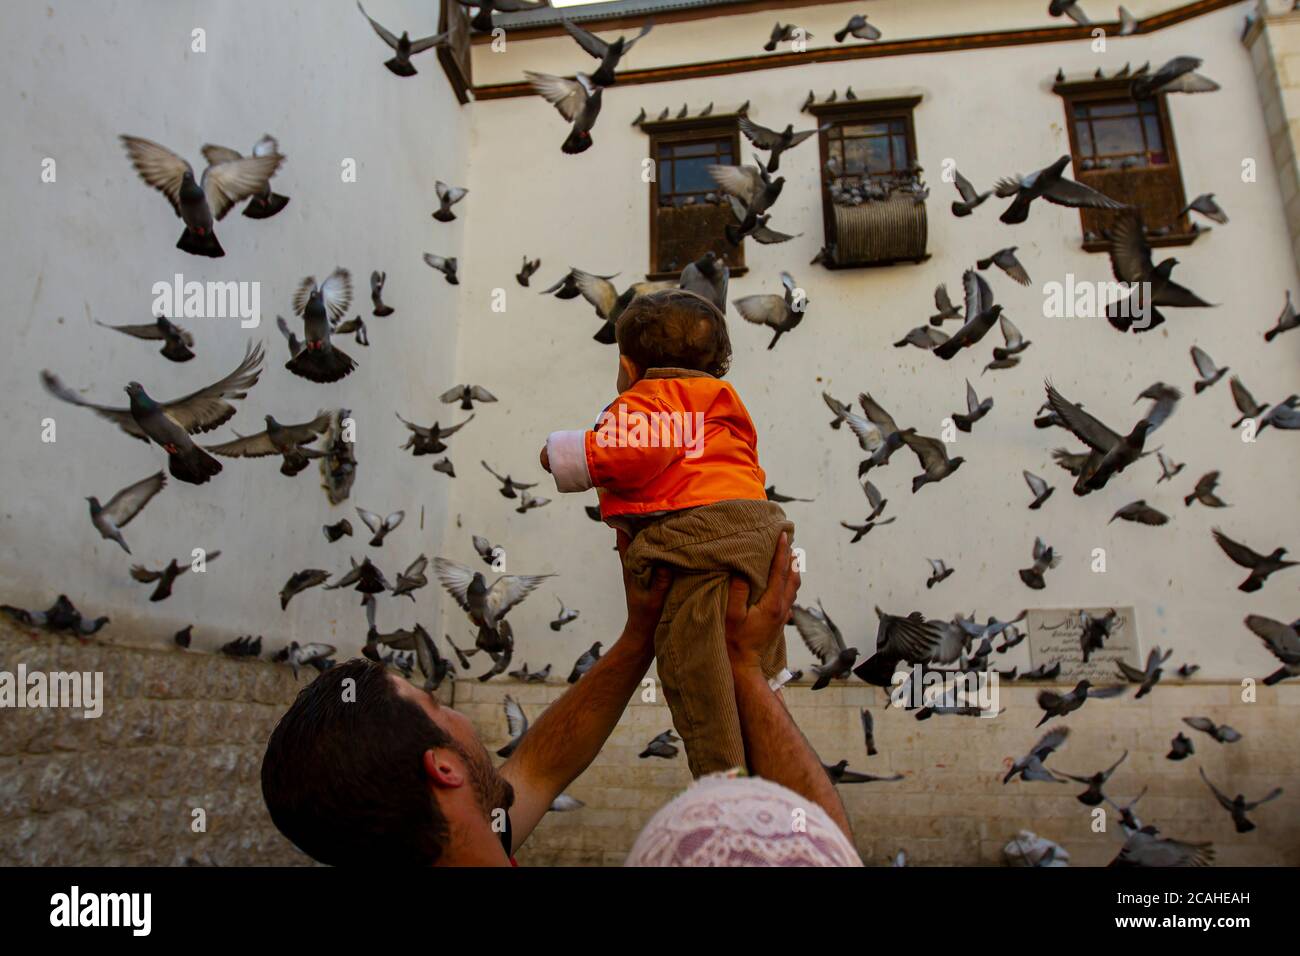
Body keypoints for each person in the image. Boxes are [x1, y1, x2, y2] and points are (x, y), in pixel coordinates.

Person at [260, 532, 850, 866]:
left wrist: (639, 635)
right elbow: (825, 853)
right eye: (436, 707)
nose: (457, 714)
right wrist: (745, 667)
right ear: (443, 769)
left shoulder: (462, 840)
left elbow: (541, 765)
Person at [539, 288, 794, 778]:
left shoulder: (650, 399)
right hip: (757, 534)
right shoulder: (724, 401)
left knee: (701, 679)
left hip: (702, 543)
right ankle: (777, 771)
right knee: (752, 668)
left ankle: (729, 790)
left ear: (628, 367)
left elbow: (633, 452)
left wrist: (563, 455)